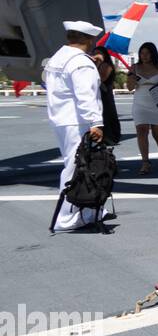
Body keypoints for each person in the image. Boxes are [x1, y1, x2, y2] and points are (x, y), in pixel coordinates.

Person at [44, 21, 105, 232]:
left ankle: (86, 211)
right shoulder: (80, 62)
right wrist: (95, 122)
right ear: (88, 39)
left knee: (79, 167)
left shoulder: (58, 58)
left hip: (62, 119)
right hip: (78, 121)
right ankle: (67, 217)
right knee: (75, 169)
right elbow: (85, 94)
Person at [126, 42, 158, 173]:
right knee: (141, 131)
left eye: (147, 53)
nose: (144, 56)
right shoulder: (134, 67)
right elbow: (129, 88)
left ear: (153, 54)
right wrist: (131, 77)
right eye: (142, 53)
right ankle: (145, 162)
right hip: (140, 103)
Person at [88, 47, 121, 146]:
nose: (96, 55)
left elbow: (101, 79)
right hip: (98, 94)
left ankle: (110, 137)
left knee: (107, 114)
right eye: (94, 53)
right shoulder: (93, 65)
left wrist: (97, 63)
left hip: (105, 94)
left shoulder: (106, 65)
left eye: (99, 53)